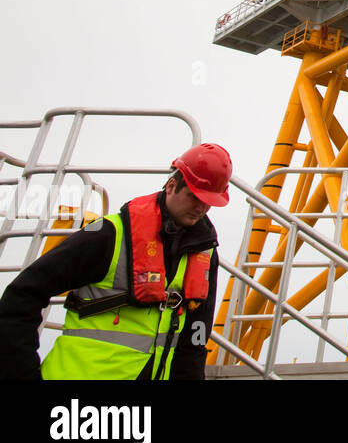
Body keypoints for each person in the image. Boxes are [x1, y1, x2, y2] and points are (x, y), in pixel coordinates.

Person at [0, 143, 231, 380]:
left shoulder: (204, 254)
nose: (201, 208)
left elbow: (193, 341)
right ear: (171, 186)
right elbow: (22, 295)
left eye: (209, 201)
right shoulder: (109, 234)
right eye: (194, 197)